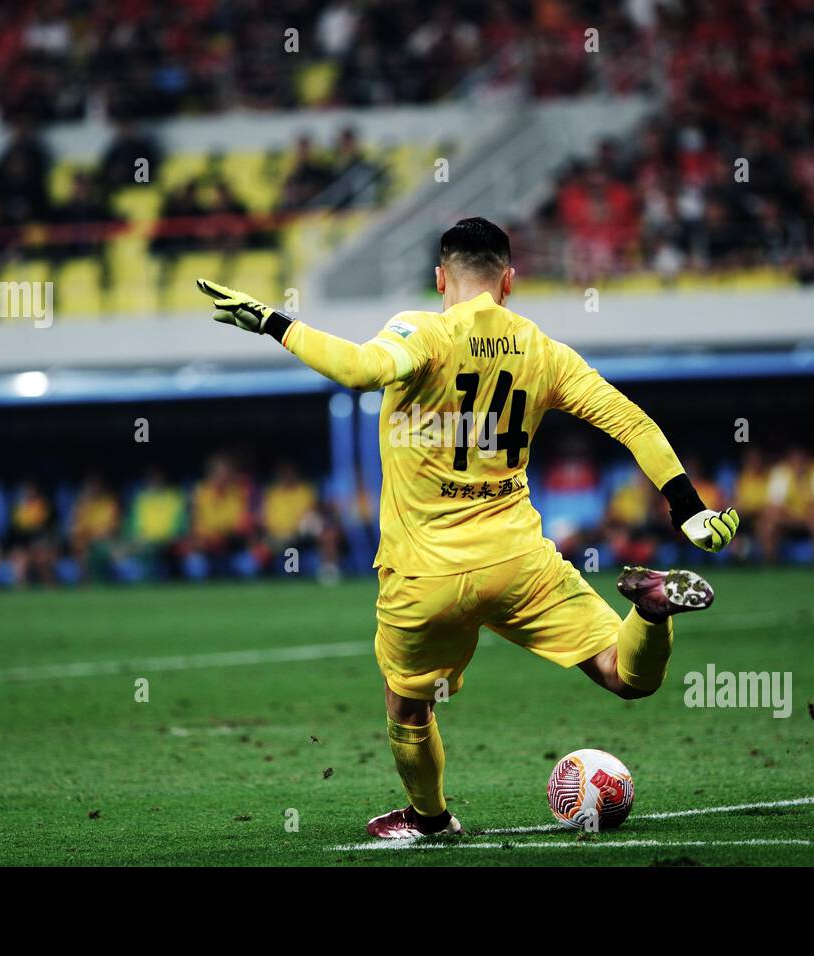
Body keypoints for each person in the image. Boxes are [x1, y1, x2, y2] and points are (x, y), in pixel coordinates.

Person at [195, 217, 739, 840]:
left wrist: (275, 322)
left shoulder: (423, 331)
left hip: (425, 575)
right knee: (623, 673)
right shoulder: (542, 349)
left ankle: (429, 818)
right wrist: (687, 504)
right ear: (509, 280)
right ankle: (650, 610)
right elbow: (631, 421)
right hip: (519, 562)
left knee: (408, 705)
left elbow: (358, 369)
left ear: (439, 277)